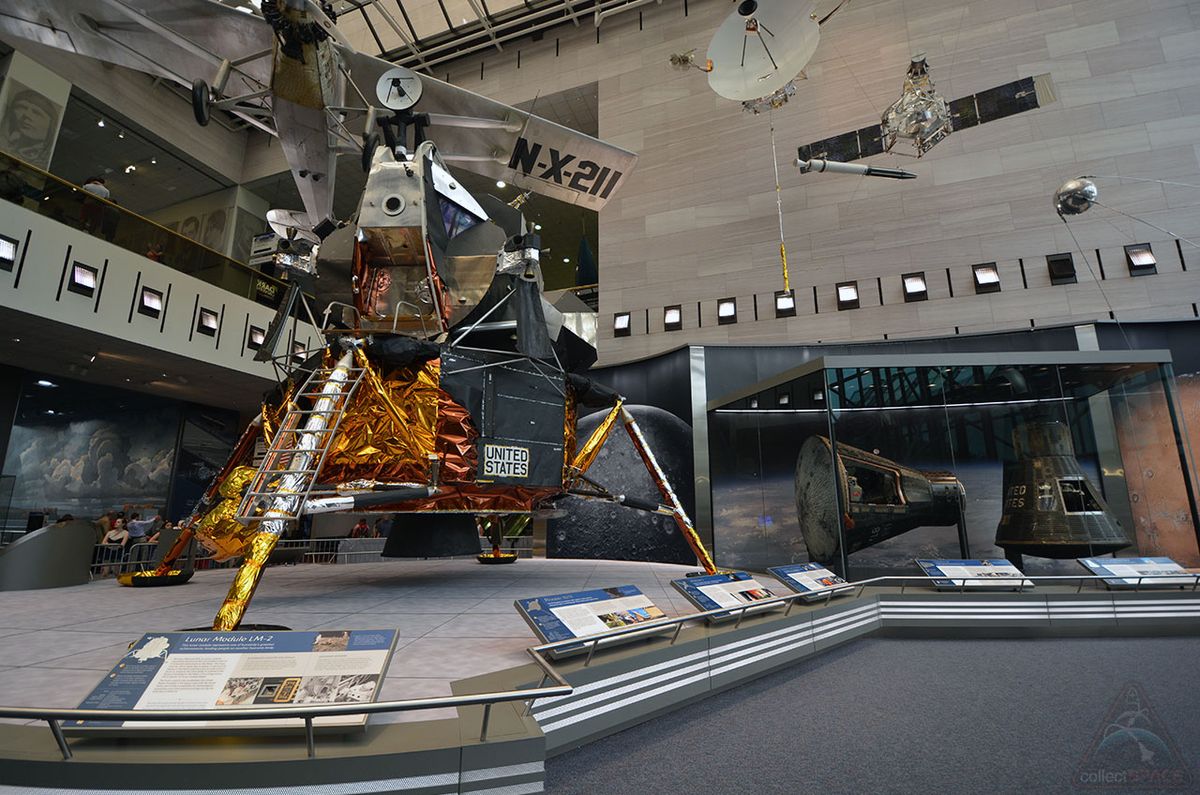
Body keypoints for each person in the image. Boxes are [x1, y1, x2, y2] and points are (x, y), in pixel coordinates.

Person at [1, 87, 59, 168]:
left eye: (36, 112)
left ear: (51, 127)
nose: (26, 115)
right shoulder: (6, 145)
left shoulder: (48, 163)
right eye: (21, 107)